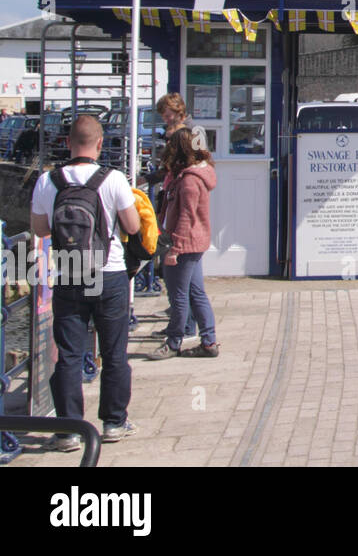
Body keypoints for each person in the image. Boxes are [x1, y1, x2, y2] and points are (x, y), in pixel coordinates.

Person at [29, 114, 142, 451]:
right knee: (114, 353)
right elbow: (133, 227)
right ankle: (113, 423)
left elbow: (38, 229)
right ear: (100, 143)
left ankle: (67, 431)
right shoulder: (114, 179)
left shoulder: (48, 181)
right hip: (108, 275)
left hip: (69, 275)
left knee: (69, 355)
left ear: (67, 143)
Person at [150, 127, 219, 359]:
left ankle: (173, 342)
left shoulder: (189, 181)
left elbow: (185, 217)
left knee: (178, 295)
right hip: (194, 242)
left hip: (184, 243)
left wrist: (174, 250)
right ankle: (209, 342)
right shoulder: (198, 174)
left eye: (171, 144)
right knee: (196, 292)